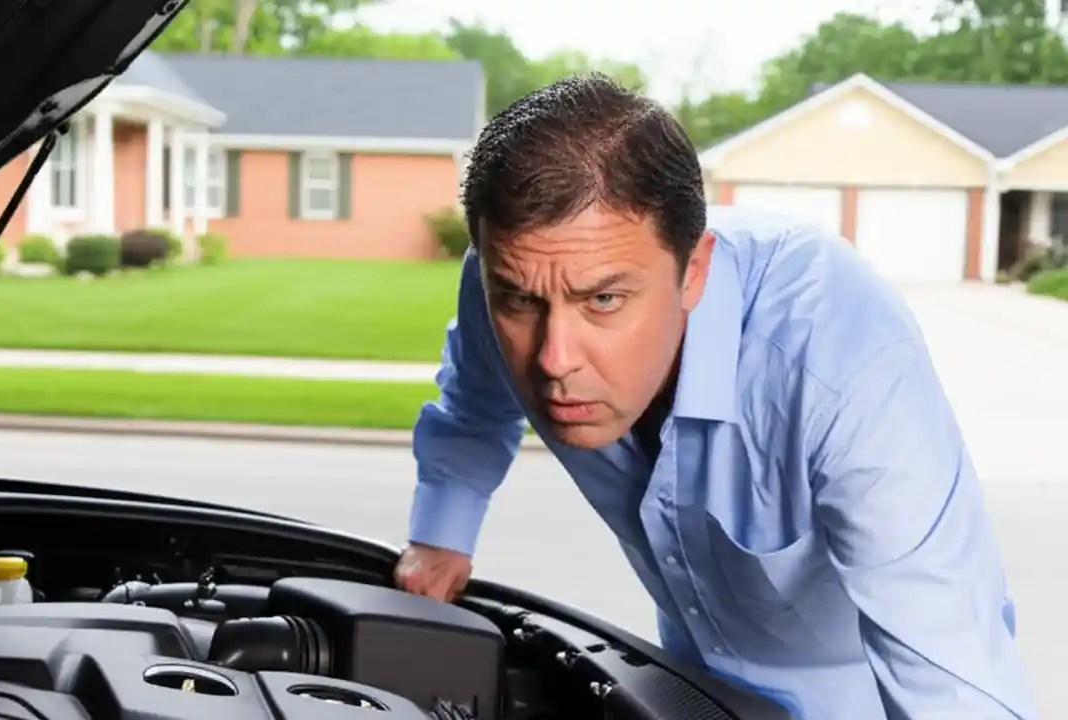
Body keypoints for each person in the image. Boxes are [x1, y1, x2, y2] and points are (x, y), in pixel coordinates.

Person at [392, 74, 1037, 720]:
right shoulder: (513, 275)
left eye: (604, 300)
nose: (555, 360)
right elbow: (474, 407)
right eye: (521, 301)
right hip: (688, 682)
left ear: (694, 270)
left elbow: (954, 675)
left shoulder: (843, 359)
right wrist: (441, 535)